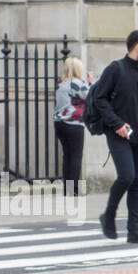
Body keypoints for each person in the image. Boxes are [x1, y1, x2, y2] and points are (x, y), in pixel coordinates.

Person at [91, 30, 138, 243]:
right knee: (126, 176)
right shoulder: (115, 69)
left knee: (137, 182)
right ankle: (109, 215)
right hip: (118, 134)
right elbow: (100, 99)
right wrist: (117, 124)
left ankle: (133, 229)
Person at [53, 57, 92, 199]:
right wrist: (91, 82)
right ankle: (74, 189)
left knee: (67, 156)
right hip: (74, 123)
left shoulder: (60, 84)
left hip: (59, 123)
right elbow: (91, 96)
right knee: (76, 156)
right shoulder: (77, 84)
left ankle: (67, 189)